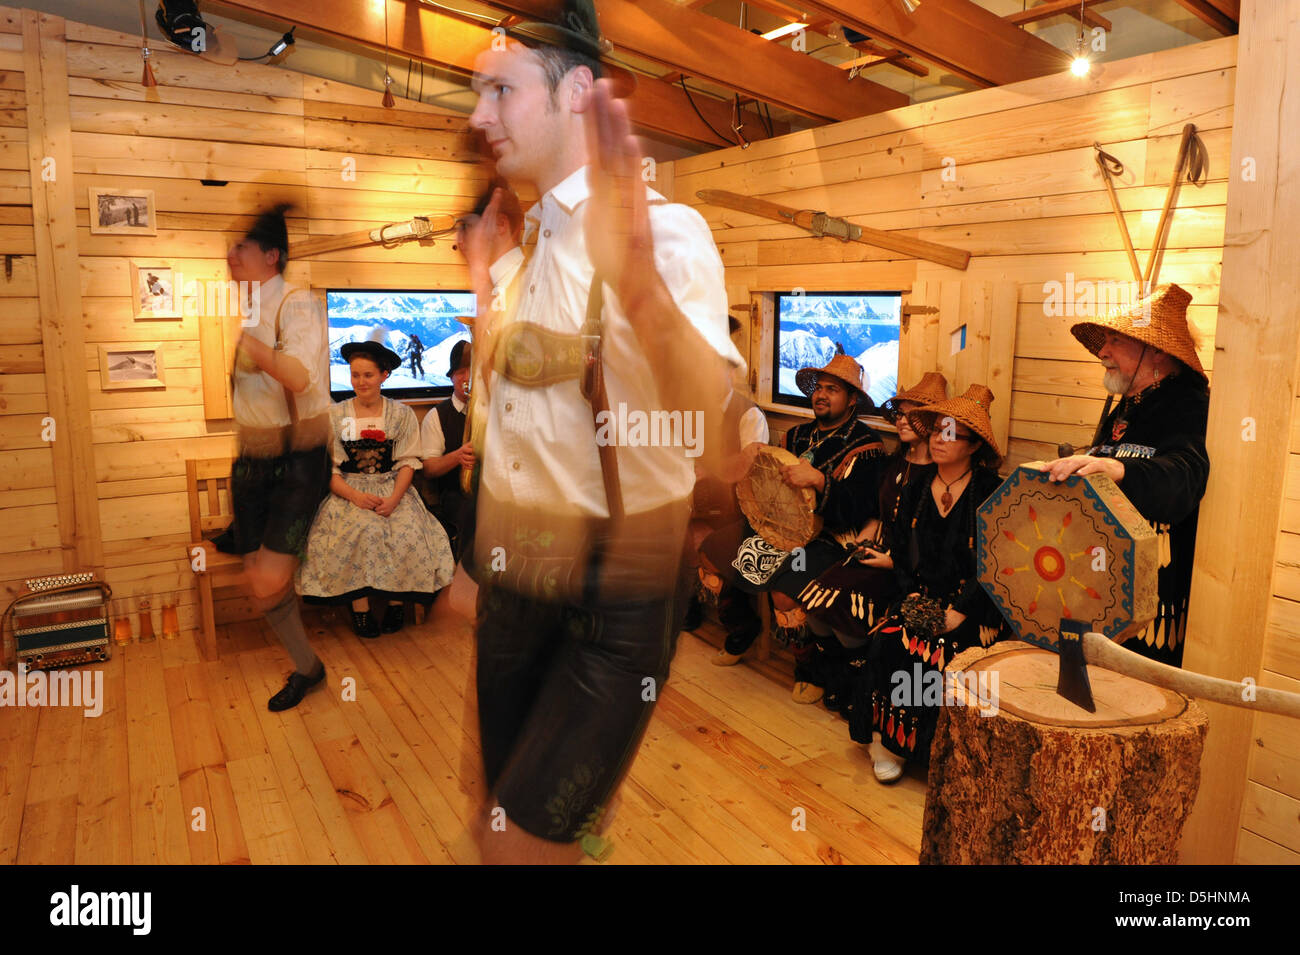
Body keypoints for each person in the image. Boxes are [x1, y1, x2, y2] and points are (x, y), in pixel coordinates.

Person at [457, 0, 740, 864]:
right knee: (492, 814)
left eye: (500, 91)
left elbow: (714, 429)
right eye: (478, 93)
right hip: (516, 584)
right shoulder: (538, 246)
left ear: (578, 89)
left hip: (614, 595)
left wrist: (644, 287)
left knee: (518, 844)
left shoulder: (668, 232)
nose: (478, 116)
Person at [1035, 284, 1209, 666]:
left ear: (1157, 352)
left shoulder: (1188, 404)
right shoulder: (1130, 404)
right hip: (1101, 585)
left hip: (1149, 603)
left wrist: (1119, 469)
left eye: (1115, 341)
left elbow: (1185, 477)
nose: (1102, 352)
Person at [699, 353, 887, 704]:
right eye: (819, 388)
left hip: (829, 537)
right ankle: (743, 628)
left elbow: (862, 509)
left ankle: (809, 669)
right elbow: (764, 484)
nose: (821, 395)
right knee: (712, 549)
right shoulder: (797, 435)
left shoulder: (866, 446)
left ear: (851, 400)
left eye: (833, 389)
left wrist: (819, 480)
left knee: (785, 592)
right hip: (775, 527)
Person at [849, 384, 1005, 782]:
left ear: (973, 447)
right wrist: (912, 594)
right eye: (936, 430)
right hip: (922, 595)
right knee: (890, 640)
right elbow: (901, 551)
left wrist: (960, 610)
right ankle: (889, 743)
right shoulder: (916, 486)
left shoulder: (991, 491)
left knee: (940, 652)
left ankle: (937, 753)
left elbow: (997, 562)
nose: (939, 439)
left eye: (951, 433)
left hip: (972, 605)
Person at [215, 203, 332, 712]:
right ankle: (309, 668)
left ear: (271, 254)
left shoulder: (296, 304)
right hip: (253, 461)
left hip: (296, 458)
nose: (230, 253)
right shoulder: (250, 307)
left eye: (241, 245)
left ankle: (312, 669)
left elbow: (302, 378)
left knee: (266, 576)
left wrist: (253, 347)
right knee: (258, 582)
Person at [795, 372, 947, 715]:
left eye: (912, 416)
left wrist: (893, 562)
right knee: (815, 599)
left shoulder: (939, 474)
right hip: (877, 548)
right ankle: (838, 674)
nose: (902, 422)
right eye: (900, 414)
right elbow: (878, 513)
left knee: (845, 607)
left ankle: (859, 683)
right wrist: (864, 538)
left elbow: (934, 543)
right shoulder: (895, 462)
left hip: (907, 567)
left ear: (930, 422)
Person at [296, 333, 455, 637]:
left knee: (405, 531)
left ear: (384, 375)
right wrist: (354, 495)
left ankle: (397, 604)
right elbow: (328, 471)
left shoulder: (402, 414)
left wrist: (395, 499)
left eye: (368, 375)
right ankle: (361, 612)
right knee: (357, 530)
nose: (361, 381)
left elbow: (409, 463)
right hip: (349, 490)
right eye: (355, 375)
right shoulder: (336, 415)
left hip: (394, 488)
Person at [681, 334, 768, 634]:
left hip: (738, 508)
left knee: (703, 540)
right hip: (699, 501)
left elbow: (752, 472)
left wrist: (709, 470)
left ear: (730, 373)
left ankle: (739, 622)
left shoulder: (749, 414)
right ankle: (685, 603)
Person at [420, 339, 474, 559]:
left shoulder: (494, 411)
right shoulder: (437, 416)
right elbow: (429, 469)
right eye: (460, 372)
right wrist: (458, 457)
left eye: (472, 371)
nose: (466, 378)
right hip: (456, 495)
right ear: (451, 377)